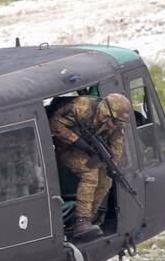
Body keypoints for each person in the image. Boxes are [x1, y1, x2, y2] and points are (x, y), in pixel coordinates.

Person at [49, 92, 133, 239]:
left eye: (117, 123)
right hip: (66, 148)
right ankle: (82, 221)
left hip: (89, 151)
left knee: (106, 179)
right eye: (113, 121)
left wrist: (111, 165)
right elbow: (54, 125)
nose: (114, 126)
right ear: (105, 112)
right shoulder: (82, 107)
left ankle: (89, 218)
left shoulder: (117, 126)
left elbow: (116, 150)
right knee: (90, 173)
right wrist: (78, 142)